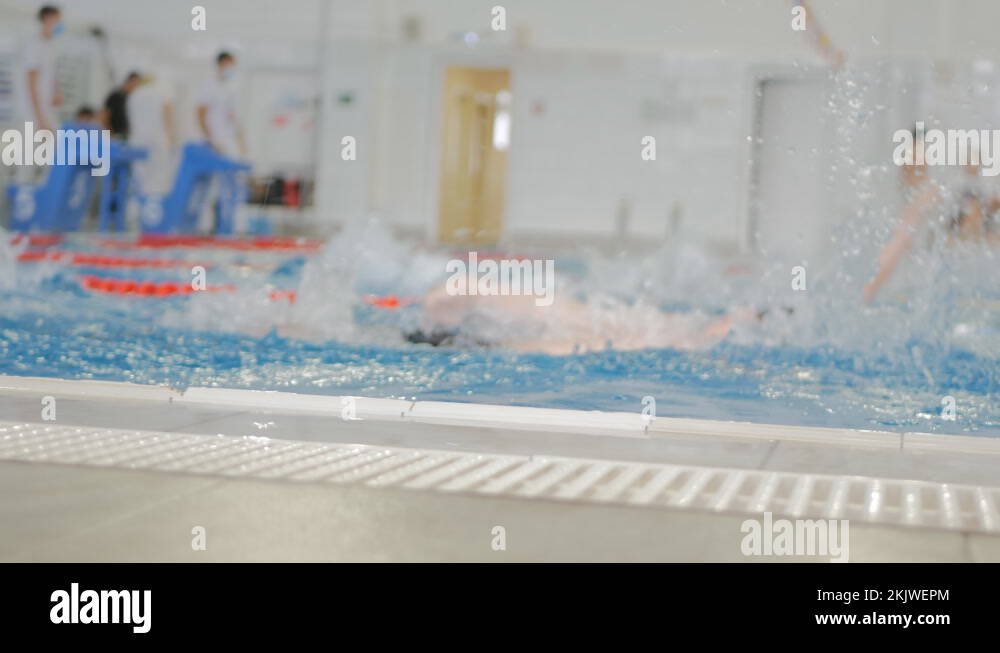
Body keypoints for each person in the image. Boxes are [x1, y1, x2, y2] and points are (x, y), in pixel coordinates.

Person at [127, 75, 177, 195]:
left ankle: (138, 205)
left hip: (137, 141)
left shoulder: (134, 95)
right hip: (157, 140)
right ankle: (153, 206)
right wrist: (171, 136)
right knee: (158, 179)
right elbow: (168, 116)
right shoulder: (161, 93)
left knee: (139, 176)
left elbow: (131, 120)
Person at [17, 5, 62, 135]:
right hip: (34, 112)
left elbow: (50, 76)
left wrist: (56, 92)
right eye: (58, 19)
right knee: (34, 151)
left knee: (52, 146)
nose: (60, 24)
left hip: (46, 108)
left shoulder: (50, 45)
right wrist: (40, 119)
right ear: (47, 18)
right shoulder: (34, 45)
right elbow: (31, 83)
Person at [196, 51, 246, 158]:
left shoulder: (230, 88)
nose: (232, 68)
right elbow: (200, 115)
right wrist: (210, 140)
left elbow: (233, 118)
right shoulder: (209, 86)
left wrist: (241, 143)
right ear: (221, 64)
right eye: (230, 65)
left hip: (228, 140)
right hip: (214, 141)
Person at [102, 71, 143, 140]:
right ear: (129, 81)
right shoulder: (116, 96)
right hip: (114, 136)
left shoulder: (132, 99)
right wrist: (110, 134)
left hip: (127, 137)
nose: (135, 87)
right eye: (134, 83)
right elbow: (104, 116)